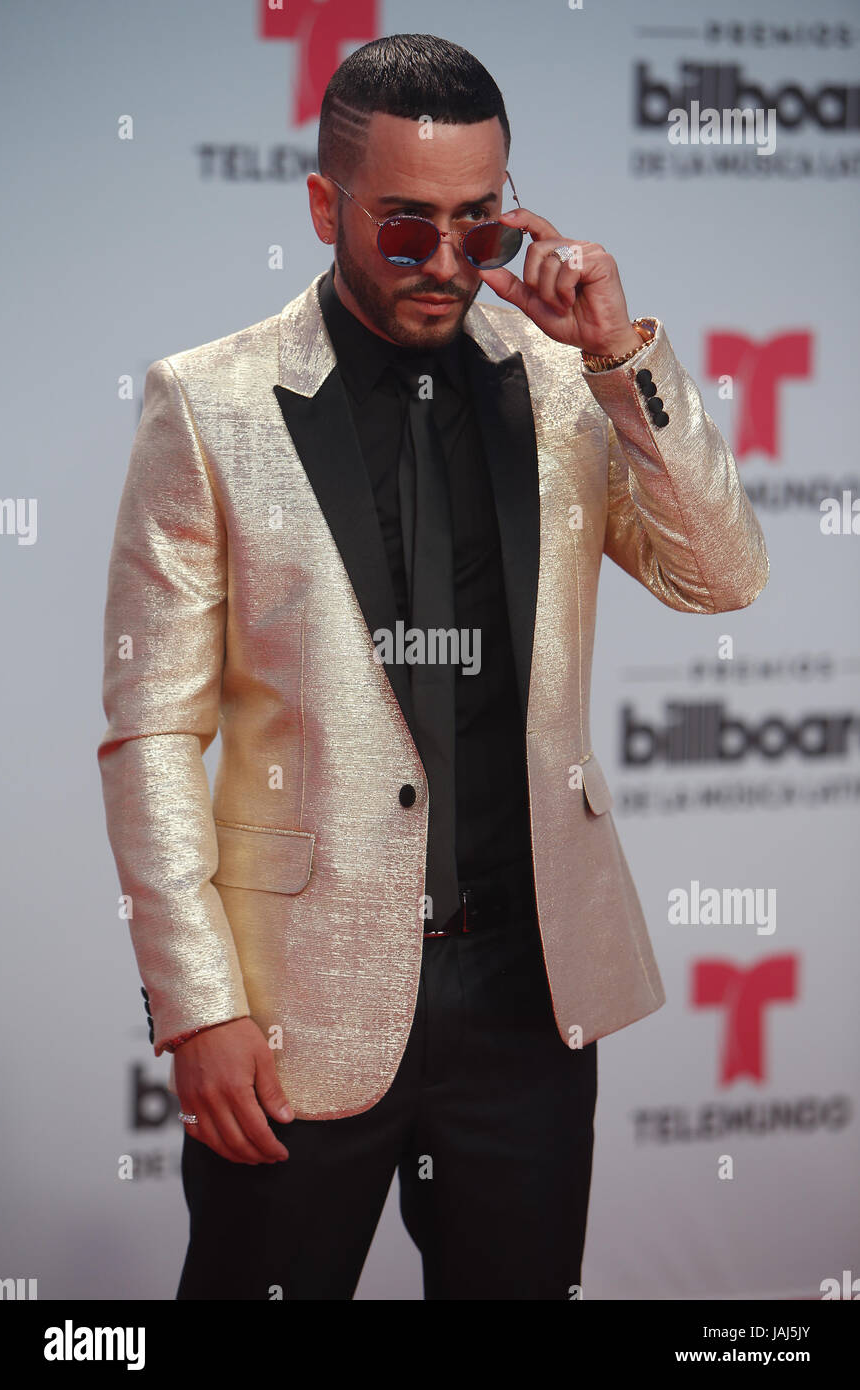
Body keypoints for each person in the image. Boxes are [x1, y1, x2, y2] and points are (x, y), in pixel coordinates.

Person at [97, 33, 769, 1300]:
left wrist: (620, 355)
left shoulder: (569, 383)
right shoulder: (208, 403)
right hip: (297, 1010)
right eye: (408, 231)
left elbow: (719, 576)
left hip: (525, 1000)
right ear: (322, 206)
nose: (449, 265)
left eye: (484, 227)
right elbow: (149, 733)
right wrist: (195, 1005)